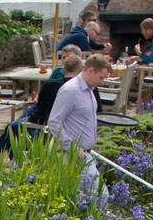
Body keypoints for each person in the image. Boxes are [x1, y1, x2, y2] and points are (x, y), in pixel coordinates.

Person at [0, 54, 83, 155]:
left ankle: (11, 159)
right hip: (72, 131)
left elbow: (40, 111)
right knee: (18, 122)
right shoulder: (82, 89)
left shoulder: (51, 85)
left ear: (64, 69)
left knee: (13, 127)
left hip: (43, 129)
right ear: (80, 70)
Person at [47, 53, 112, 191]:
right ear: (90, 71)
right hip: (73, 155)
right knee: (100, 197)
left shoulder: (90, 90)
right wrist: (74, 148)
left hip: (86, 153)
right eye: (101, 77)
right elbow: (54, 122)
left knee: (86, 199)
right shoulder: (70, 90)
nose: (102, 82)